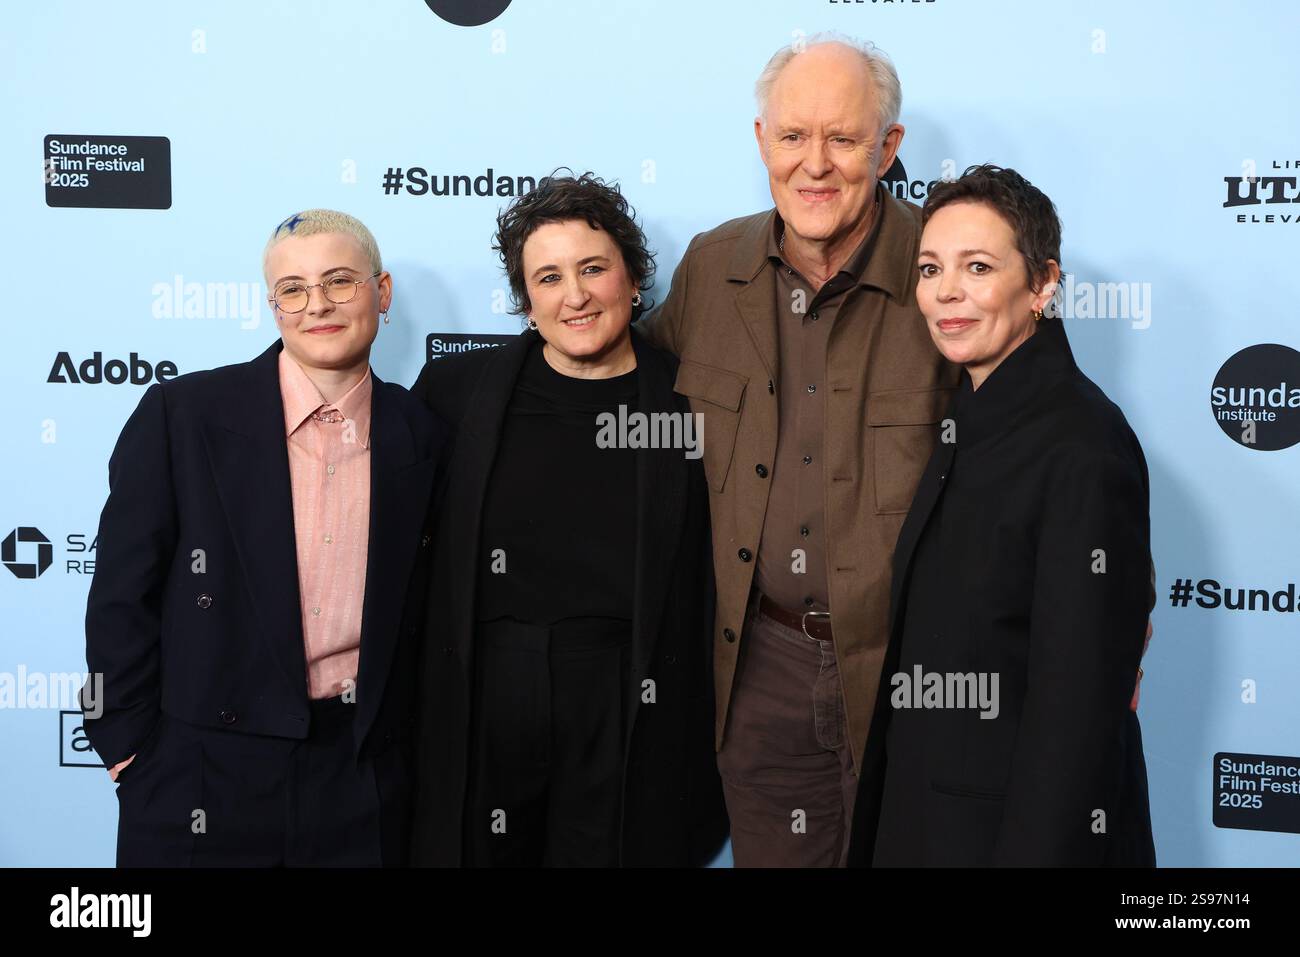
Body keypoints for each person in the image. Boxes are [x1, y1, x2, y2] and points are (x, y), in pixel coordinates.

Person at [638, 33, 957, 866]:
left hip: (918, 677)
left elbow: (1051, 442)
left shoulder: (951, 273)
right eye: (792, 136)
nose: (815, 164)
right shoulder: (712, 269)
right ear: (760, 141)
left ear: (888, 149)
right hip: (762, 674)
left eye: (844, 139)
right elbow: (613, 384)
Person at [81, 209, 448, 866]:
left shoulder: (423, 431)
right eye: (294, 289)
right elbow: (118, 597)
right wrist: (127, 749)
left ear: (382, 292)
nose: (319, 305)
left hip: (361, 773)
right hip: (198, 772)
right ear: (273, 304)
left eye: (340, 281)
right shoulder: (183, 415)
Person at [408, 173, 728, 867]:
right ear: (526, 302)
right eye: (548, 277)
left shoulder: (691, 404)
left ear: (634, 280)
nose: (574, 295)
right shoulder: (455, 396)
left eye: (592, 268)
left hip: (627, 700)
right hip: (488, 695)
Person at [848, 165, 1156, 866]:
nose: (946, 291)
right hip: (931, 818)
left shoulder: (1082, 444)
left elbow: (1075, 719)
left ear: (1043, 283)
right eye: (930, 268)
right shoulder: (973, 416)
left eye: (978, 266)